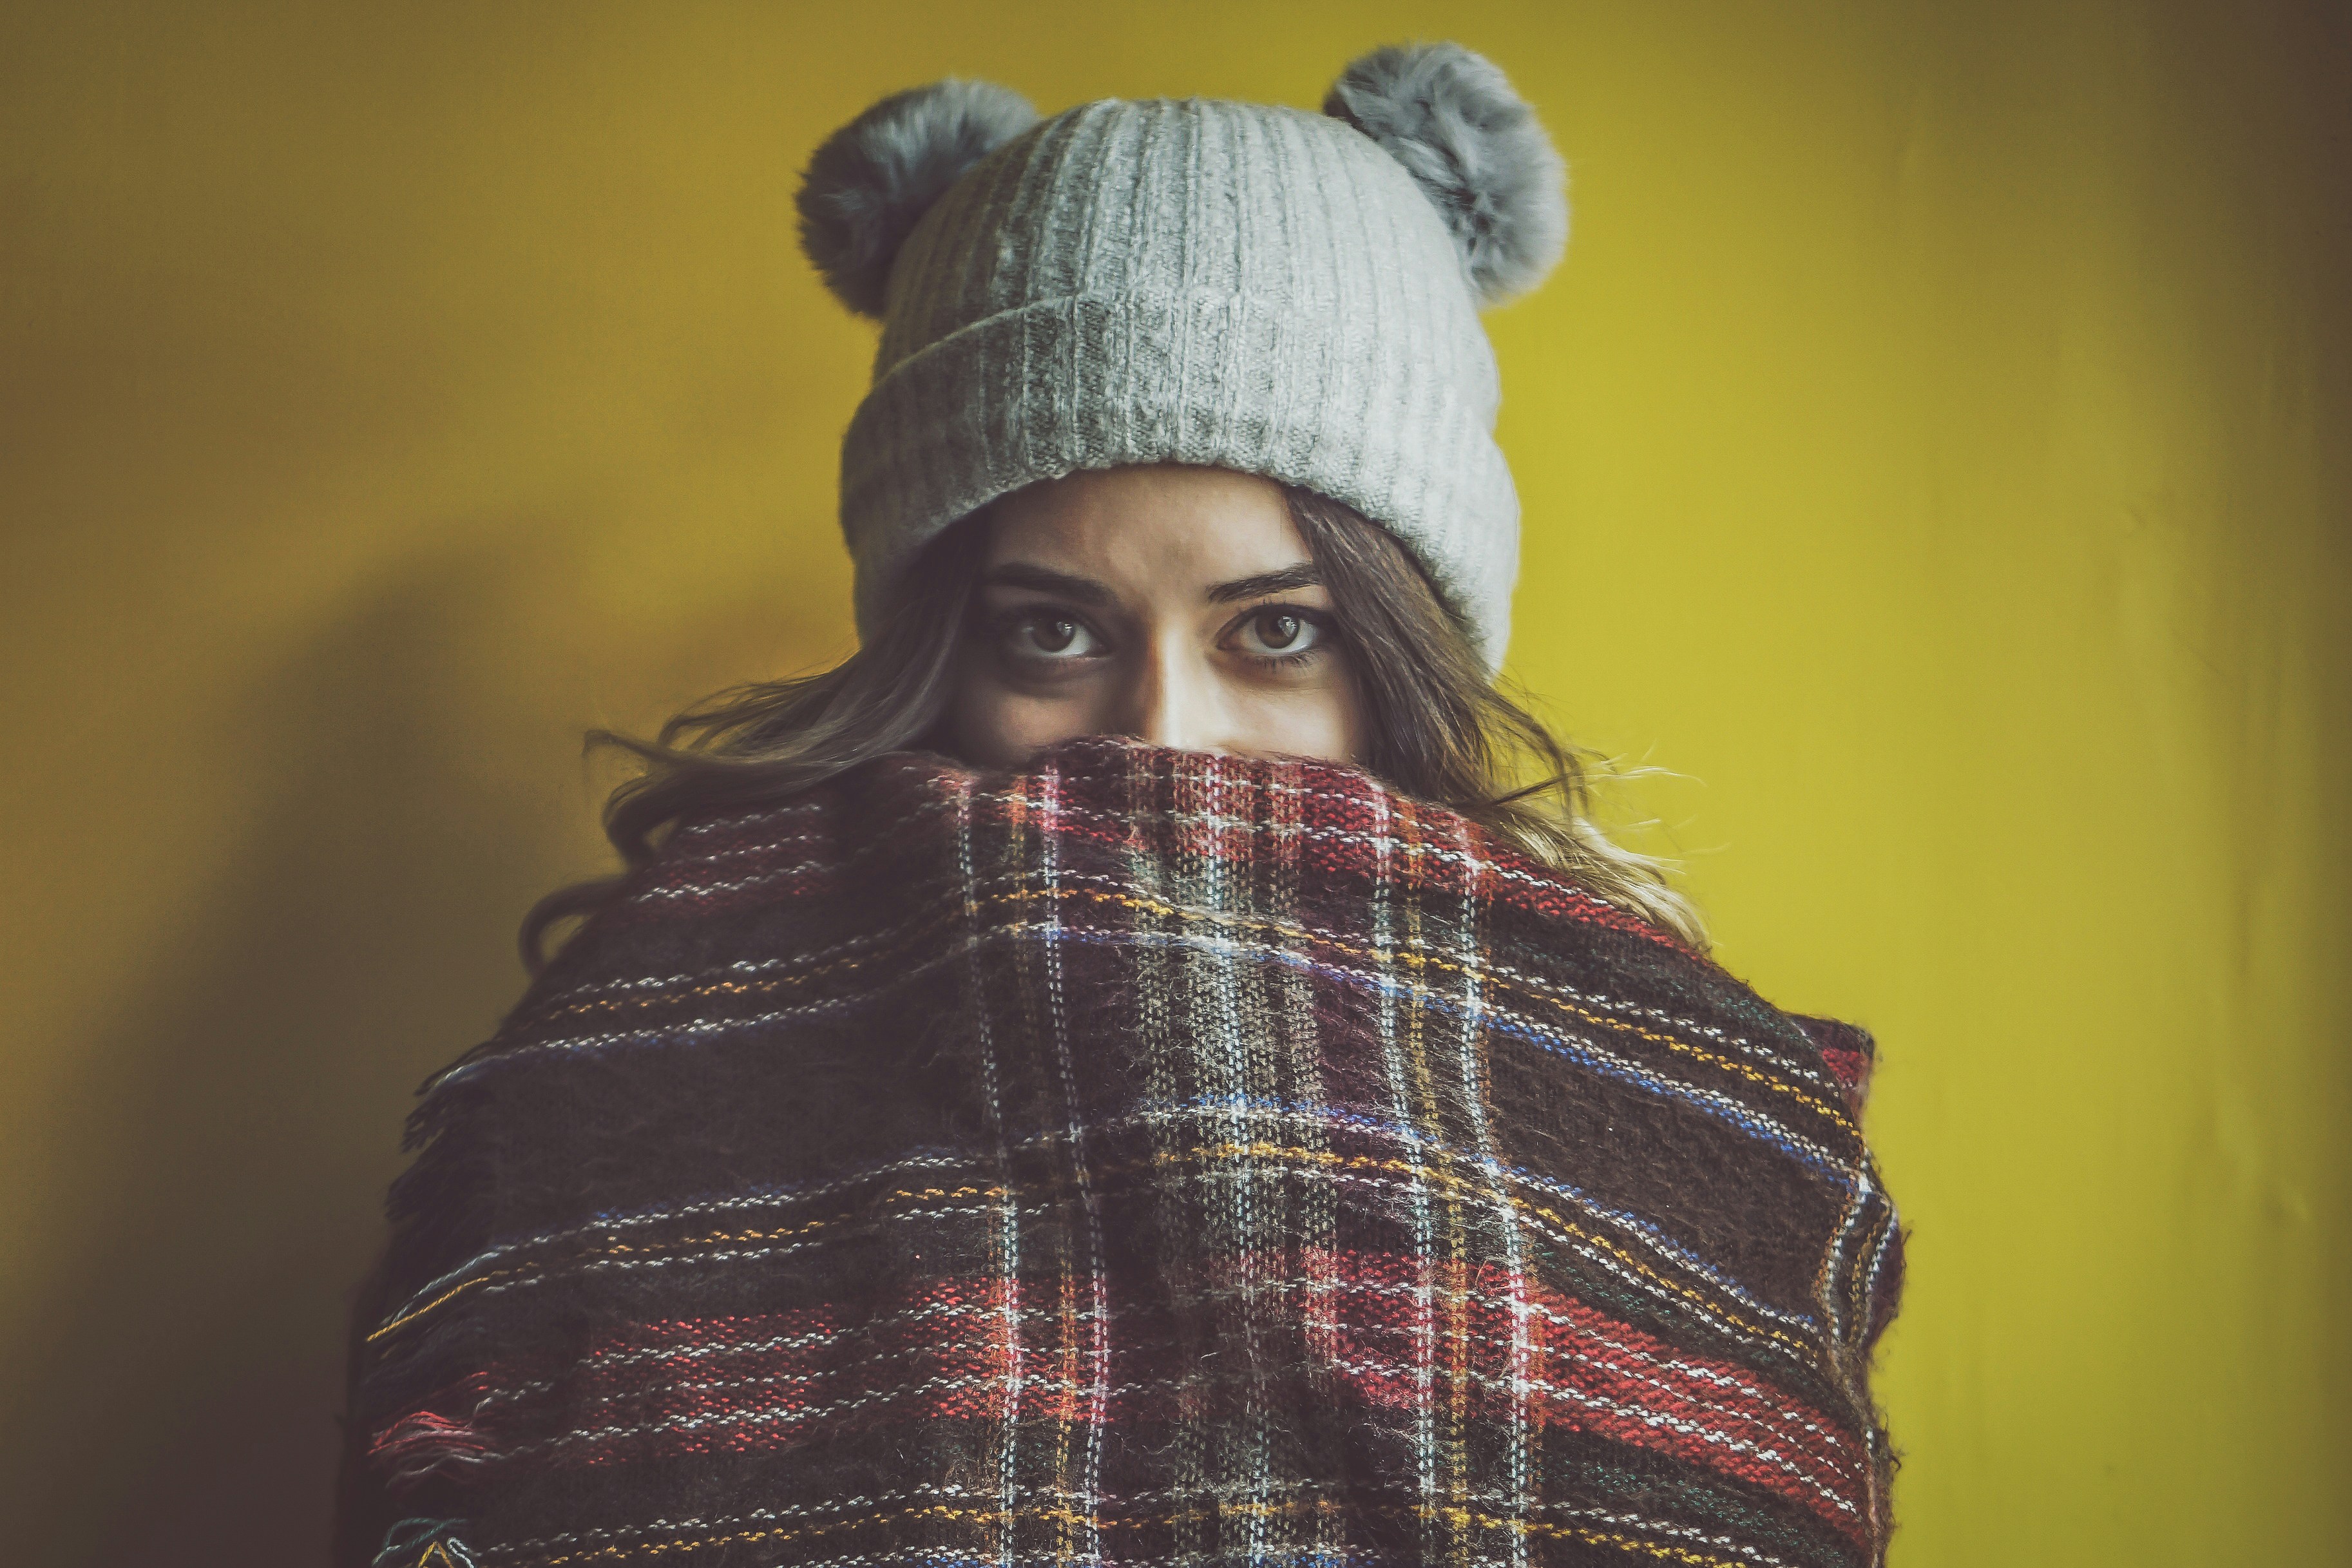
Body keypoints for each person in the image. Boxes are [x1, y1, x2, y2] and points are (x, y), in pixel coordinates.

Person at [340, 43, 1903, 1568]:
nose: (1164, 735)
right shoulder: (646, 1058)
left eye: (1274, 630)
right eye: (1055, 630)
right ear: (944, 644)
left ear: (1403, 652)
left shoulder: (1662, 1101)